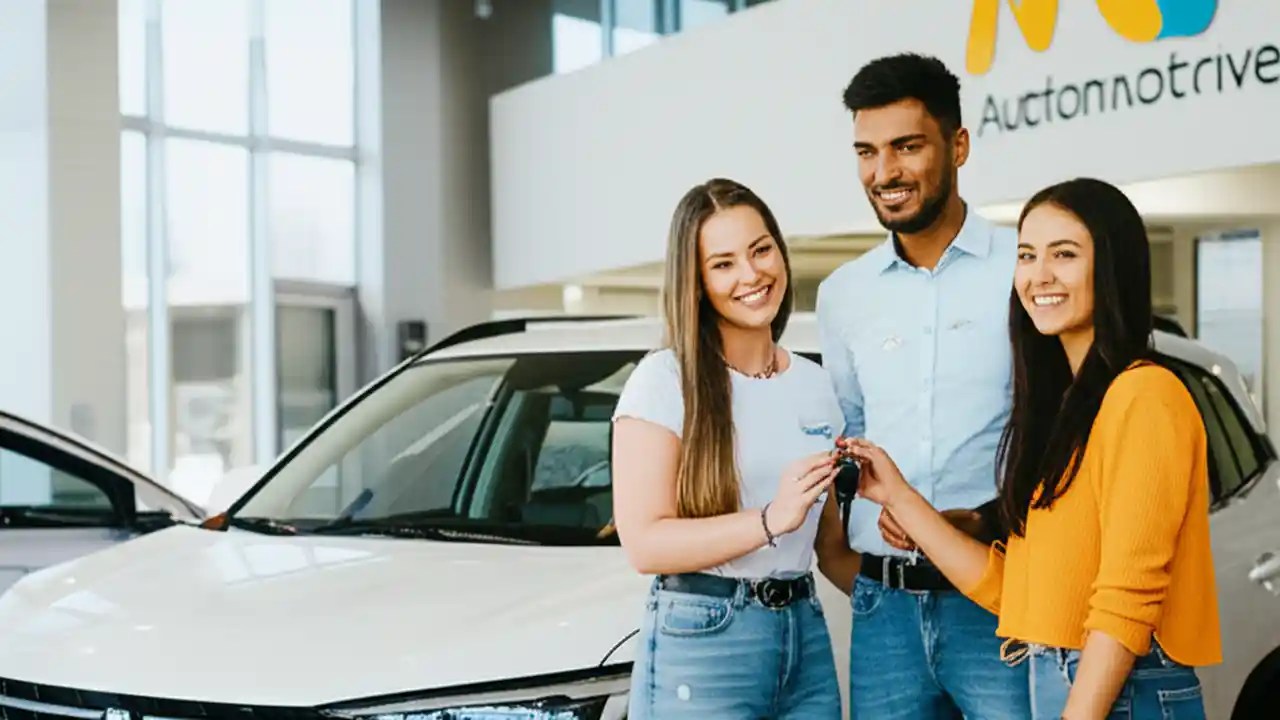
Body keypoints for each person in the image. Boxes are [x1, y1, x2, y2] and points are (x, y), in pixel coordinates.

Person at [848, 177, 1222, 719]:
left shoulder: (1145, 395)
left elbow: (1126, 601)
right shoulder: (1063, 415)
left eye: (1064, 254)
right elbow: (1012, 592)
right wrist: (900, 498)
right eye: (1026, 255)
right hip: (1059, 679)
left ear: (1111, 267)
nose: (1038, 275)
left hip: (1123, 691)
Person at [813, 52, 1030, 718]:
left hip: (999, 602)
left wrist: (984, 521)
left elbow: (1059, 434)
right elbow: (846, 437)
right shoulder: (842, 295)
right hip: (885, 612)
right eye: (867, 152)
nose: (884, 173)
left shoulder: (1025, 268)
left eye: (907, 147)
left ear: (958, 144)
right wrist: (842, 556)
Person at [612, 177, 851, 719]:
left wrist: (929, 602)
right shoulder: (663, 381)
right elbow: (645, 544)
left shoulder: (815, 385)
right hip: (705, 637)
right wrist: (770, 518)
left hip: (803, 630)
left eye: (761, 250)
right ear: (695, 280)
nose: (751, 275)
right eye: (723, 263)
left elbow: (831, 548)